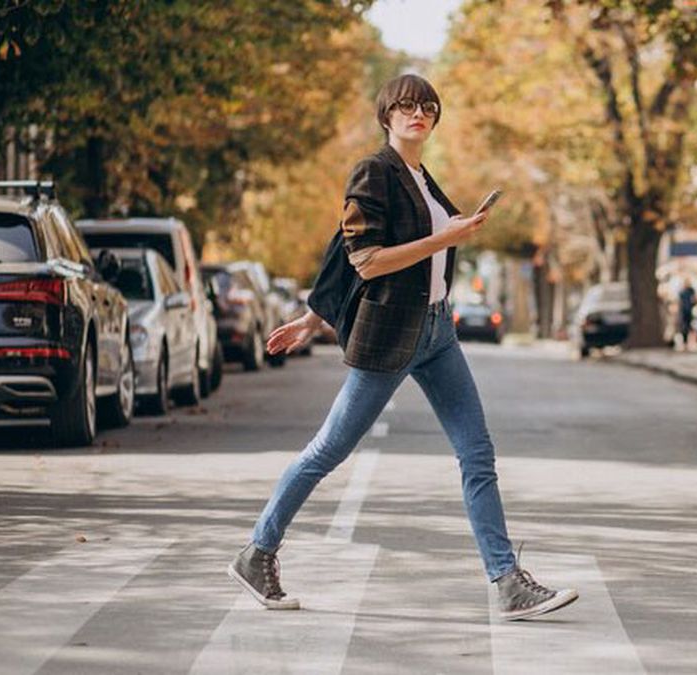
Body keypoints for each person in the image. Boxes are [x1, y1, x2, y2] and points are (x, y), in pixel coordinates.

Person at [227, 74, 578, 621]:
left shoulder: (420, 177)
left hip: (438, 333)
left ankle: (507, 582)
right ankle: (258, 552)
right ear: (387, 116)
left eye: (428, 107)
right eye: (407, 107)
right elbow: (363, 257)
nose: (419, 114)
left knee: (477, 453)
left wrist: (313, 315)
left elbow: (336, 252)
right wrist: (446, 238)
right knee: (328, 451)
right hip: (392, 334)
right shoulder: (374, 171)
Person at [675, 280, 697, 350]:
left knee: (687, 327)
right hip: (684, 311)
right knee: (685, 327)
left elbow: (693, 300)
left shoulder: (690, 291)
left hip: (687, 311)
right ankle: (685, 343)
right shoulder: (683, 292)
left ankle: (688, 343)